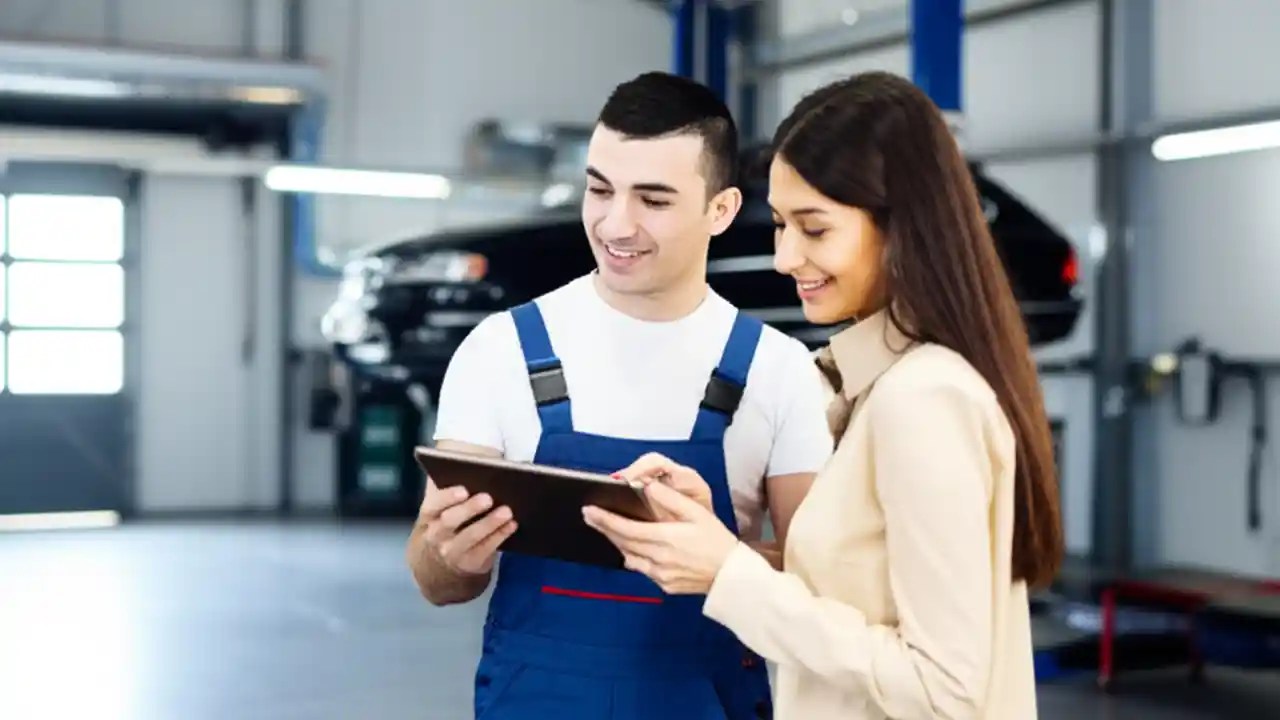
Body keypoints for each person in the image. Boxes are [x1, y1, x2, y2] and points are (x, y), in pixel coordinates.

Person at [583, 70, 1065, 720]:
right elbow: (859, 598)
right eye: (781, 224)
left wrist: (730, 574)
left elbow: (944, 690)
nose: (785, 258)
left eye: (814, 228)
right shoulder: (864, 387)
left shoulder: (923, 400)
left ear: (901, 229)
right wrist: (716, 542)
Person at [404, 70, 834, 719]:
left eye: (653, 200)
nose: (615, 223)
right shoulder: (500, 352)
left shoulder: (779, 370)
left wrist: (718, 555)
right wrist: (450, 558)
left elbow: (820, 588)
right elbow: (434, 578)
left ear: (721, 210)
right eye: (599, 190)